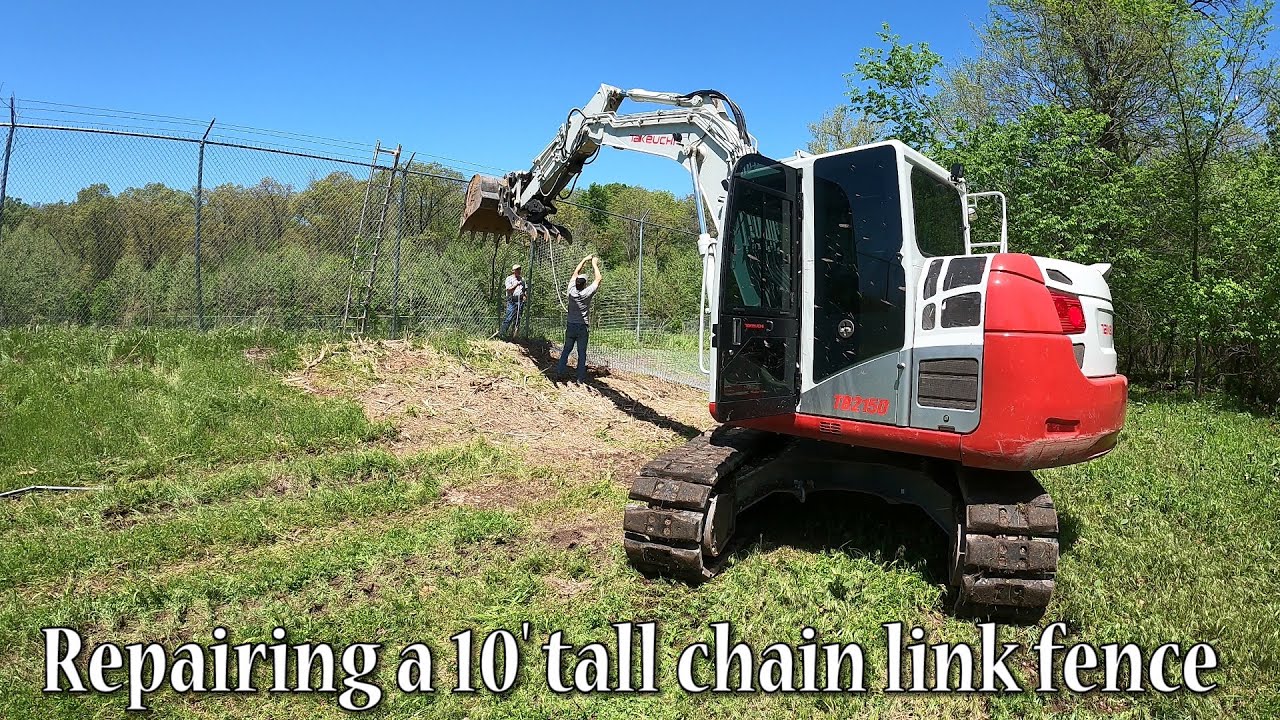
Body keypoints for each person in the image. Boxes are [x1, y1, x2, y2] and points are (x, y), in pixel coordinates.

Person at [554, 255, 602, 382]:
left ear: (576, 283)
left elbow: (575, 272)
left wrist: (584, 260)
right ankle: (580, 378)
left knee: (566, 350)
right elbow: (598, 279)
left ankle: (560, 372)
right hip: (582, 327)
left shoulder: (571, 291)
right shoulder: (587, 293)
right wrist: (594, 264)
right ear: (585, 284)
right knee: (582, 353)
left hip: (571, 325)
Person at [499, 264, 526, 339]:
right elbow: (508, 290)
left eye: (519, 269)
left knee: (518, 318)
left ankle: (513, 335)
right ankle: (502, 334)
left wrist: (524, 296)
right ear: (513, 271)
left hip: (520, 301)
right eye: (517, 269)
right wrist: (516, 285)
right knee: (509, 317)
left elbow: (524, 289)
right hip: (512, 300)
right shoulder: (509, 279)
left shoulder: (522, 279)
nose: (518, 271)